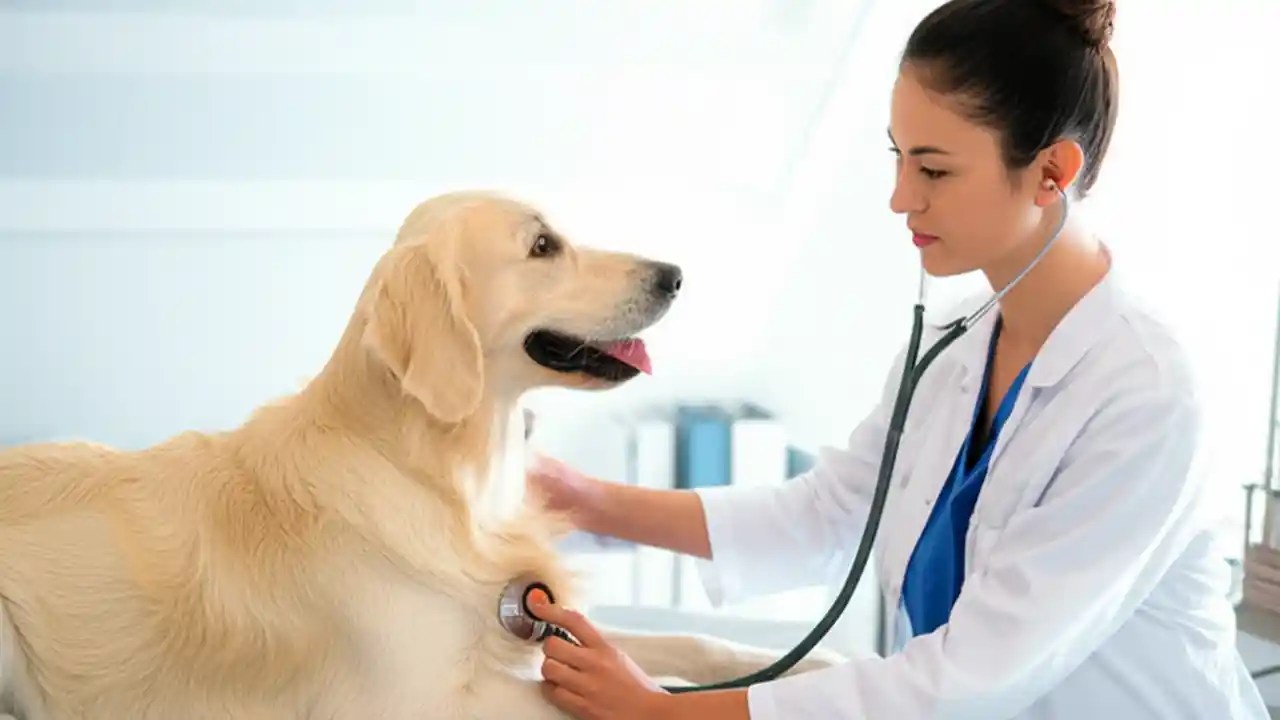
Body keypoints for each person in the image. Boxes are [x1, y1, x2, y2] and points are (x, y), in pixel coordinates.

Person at [524, 1, 1271, 718]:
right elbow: (827, 515)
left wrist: (664, 713)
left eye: (934, 171)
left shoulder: (1146, 397)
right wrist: (583, 498)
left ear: (1051, 173)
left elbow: (974, 678)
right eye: (898, 158)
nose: (899, 198)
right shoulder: (954, 352)